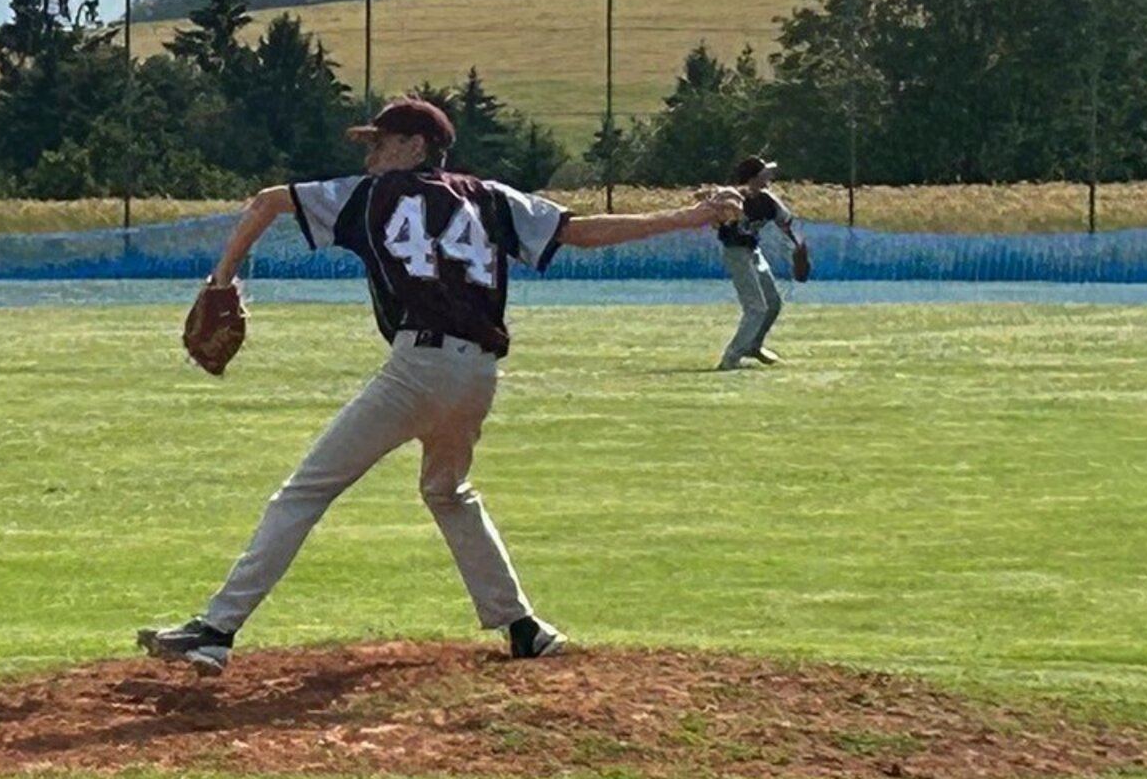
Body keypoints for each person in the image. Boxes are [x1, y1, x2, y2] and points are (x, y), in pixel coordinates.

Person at [138, 97, 741, 675]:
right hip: (478, 375)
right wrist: (691, 216)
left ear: (417, 145)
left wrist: (222, 279)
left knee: (304, 491)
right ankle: (524, 628)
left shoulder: (367, 195)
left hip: (416, 368)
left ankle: (214, 632)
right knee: (448, 491)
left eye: (381, 142)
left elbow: (267, 202)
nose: (370, 153)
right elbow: (581, 231)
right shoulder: (493, 198)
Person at [714, 153, 803, 371]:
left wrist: (800, 248)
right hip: (736, 253)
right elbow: (713, 216)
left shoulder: (767, 199)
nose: (769, 177)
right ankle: (731, 358)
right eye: (764, 174)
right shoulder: (732, 198)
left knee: (773, 304)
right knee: (756, 308)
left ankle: (754, 345)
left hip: (753, 252)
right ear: (753, 178)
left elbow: (786, 223)